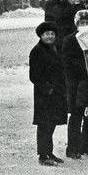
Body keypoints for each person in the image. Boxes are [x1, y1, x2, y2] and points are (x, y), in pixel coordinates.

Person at [61, 10, 88, 159]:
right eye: (81, 23)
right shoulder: (70, 40)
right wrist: (84, 66)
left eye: (87, 23)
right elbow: (66, 61)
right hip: (75, 83)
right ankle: (73, 148)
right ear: (77, 24)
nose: (84, 26)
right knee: (76, 115)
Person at [28, 22, 67, 166]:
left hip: (55, 93)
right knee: (44, 125)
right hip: (44, 95)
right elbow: (34, 75)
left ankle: (49, 152)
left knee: (51, 124)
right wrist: (47, 88)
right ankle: (43, 155)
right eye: (46, 34)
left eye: (52, 34)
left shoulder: (55, 49)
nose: (50, 36)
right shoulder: (37, 51)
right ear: (41, 36)